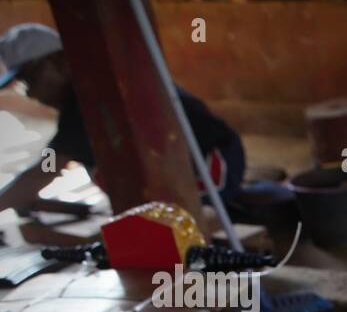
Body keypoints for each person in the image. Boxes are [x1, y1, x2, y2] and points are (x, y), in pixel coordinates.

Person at [0, 22, 249, 217]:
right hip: (190, 166)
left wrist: (16, 196)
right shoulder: (82, 98)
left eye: (31, 80)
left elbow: (45, 170)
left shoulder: (92, 97)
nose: (31, 93)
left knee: (174, 225)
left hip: (213, 165)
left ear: (60, 61)